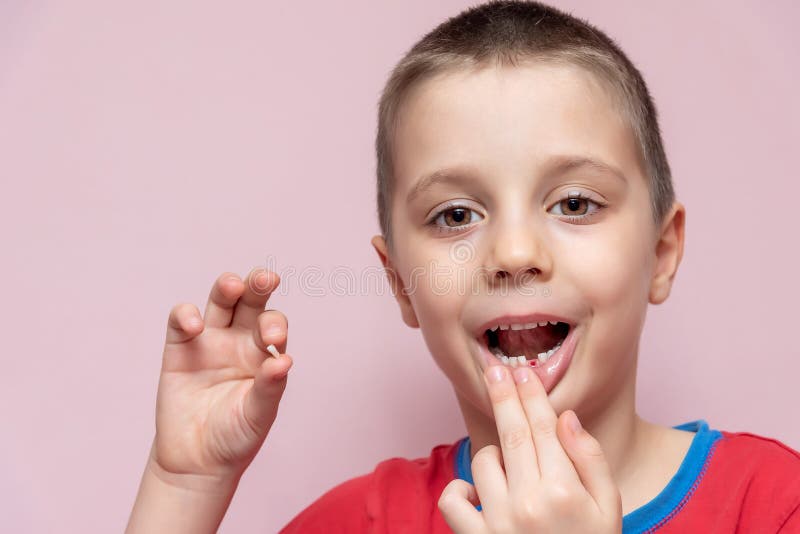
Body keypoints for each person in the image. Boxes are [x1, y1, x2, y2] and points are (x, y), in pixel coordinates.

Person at [126, 1, 800, 532]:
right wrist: (184, 485)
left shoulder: (774, 507)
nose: (512, 255)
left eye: (573, 202)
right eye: (455, 215)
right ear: (401, 284)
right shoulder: (354, 526)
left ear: (661, 251)